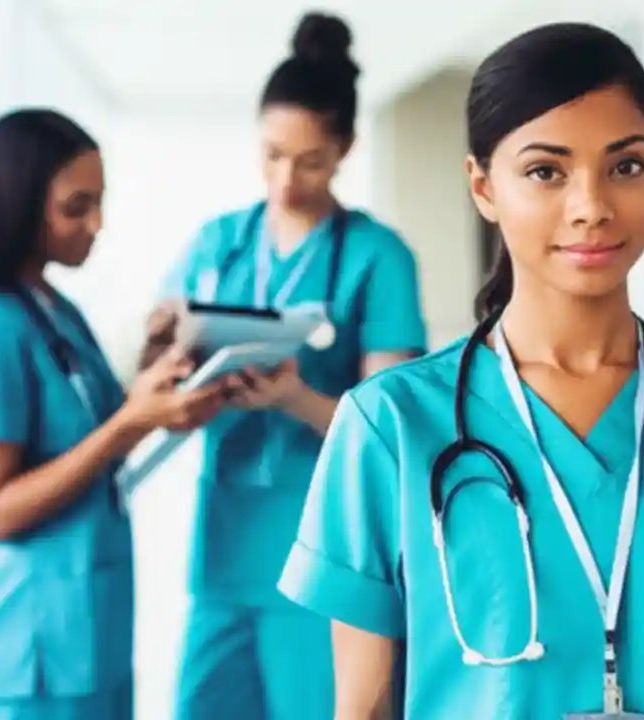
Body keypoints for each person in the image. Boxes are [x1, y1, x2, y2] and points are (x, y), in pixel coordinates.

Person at [278, 23, 644, 720]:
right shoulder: (390, 426)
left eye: (626, 166)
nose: (591, 206)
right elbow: (365, 709)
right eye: (545, 172)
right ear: (483, 186)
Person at [140, 11, 428, 720]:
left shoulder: (377, 257)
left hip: (326, 554)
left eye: (309, 160)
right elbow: (144, 378)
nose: (285, 178)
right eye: (270, 154)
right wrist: (163, 346)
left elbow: (390, 436)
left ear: (345, 150)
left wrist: (295, 398)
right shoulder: (219, 243)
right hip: (226, 547)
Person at [0, 109, 228, 720]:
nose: (96, 225)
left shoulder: (55, 310)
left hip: (87, 636)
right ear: (19, 203)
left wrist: (156, 373)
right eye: (76, 206)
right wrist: (130, 422)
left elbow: (92, 437)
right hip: (27, 651)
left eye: (100, 203)